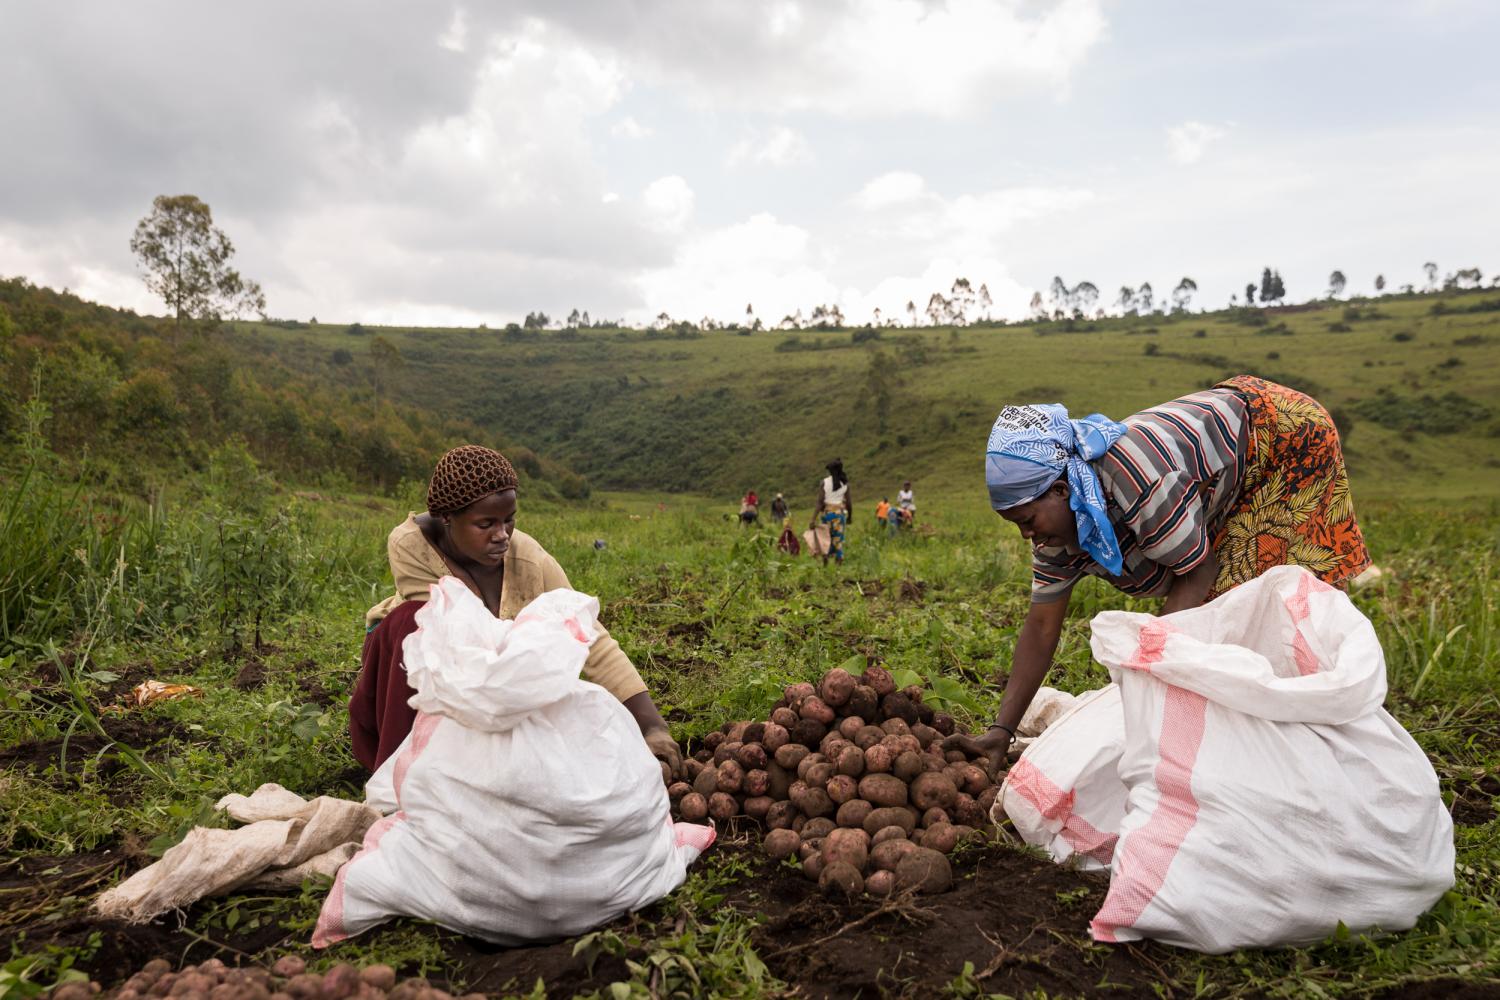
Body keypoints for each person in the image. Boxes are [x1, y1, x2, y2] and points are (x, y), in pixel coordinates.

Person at [947, 376, 1370, 771]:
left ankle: (1318, 723)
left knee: (1244, 603)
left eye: (1027, 519)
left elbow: (1196, 574)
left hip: (1281, 436)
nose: (1027, 535)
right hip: (1220, 471)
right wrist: (1000, 733)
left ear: (1061, 492)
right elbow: (1041, 627)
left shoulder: (1139, 482)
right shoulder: (1058, 530)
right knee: (1212, 623)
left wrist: (1146, 675)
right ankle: (1240, 733)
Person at [351, 445, 683, 778]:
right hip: (411, 676)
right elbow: (447, 642)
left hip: (493, 687)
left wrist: (652, 725)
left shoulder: (530, 561)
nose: (502, 536)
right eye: (485, 524)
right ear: (447, 517)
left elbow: (590, 637)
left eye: (509, 520)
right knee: (411, 619)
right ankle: (402, 776)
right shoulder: (411, 545)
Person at [811, 459, 852, 565]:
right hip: (839, 515)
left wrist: (813, 519)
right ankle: (838, 564)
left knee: (825, 539)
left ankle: (825, 562)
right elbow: (849, 503)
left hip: (826, 515)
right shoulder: (845, 484)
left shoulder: (824, 482)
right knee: (837, 539)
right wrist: (849, 517)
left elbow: (820, 502)